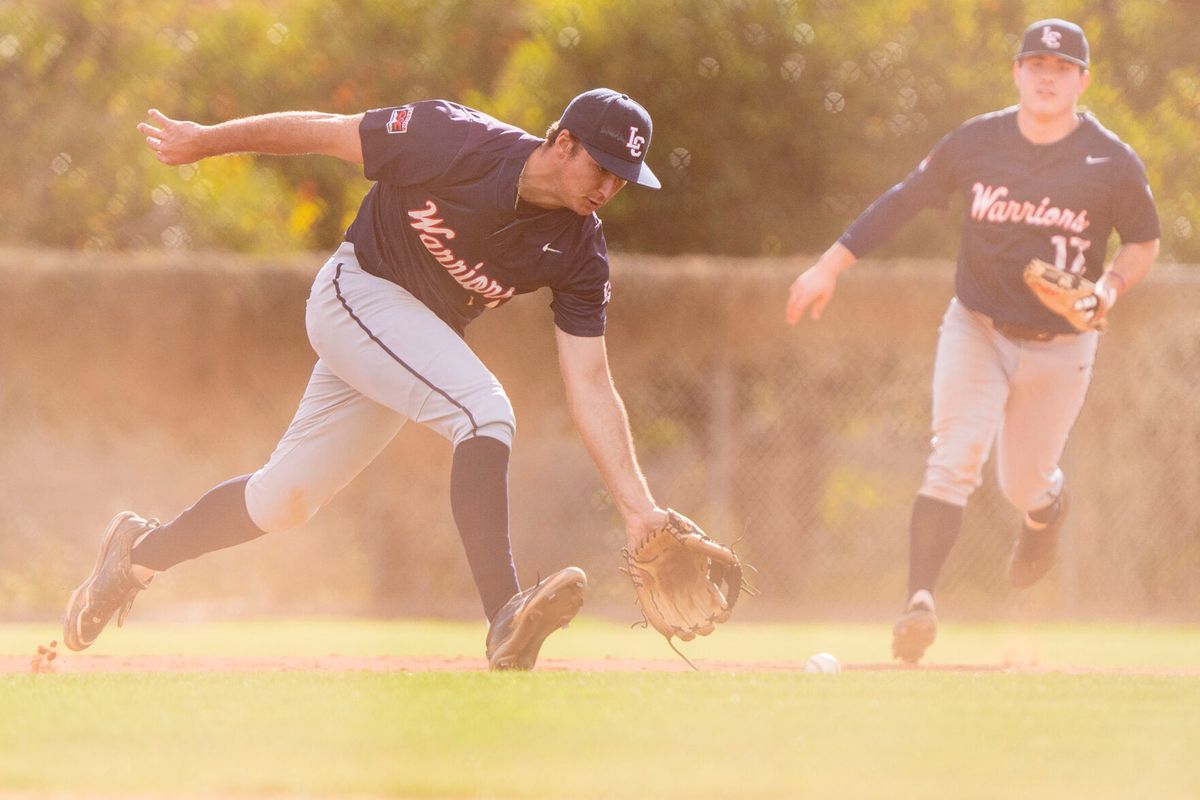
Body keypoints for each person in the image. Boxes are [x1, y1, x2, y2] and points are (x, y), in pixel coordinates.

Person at [63, 88, 670, 671]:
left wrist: (639, 511)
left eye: (625, 176)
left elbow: (590, 381)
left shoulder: (580, 251)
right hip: (356, 292)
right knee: (484, 412)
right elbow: (323, 132)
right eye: (603, 166)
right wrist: (204, 141)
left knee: (281, 503)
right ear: (563, 143)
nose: (611, 187)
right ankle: (504, 616)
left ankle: (135, 556)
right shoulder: (453, 138)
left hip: (409, 340)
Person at [785, 19, 1159, 663]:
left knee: (1021, 485)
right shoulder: (977, 142)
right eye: (1036, 62)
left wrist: (1110, 288)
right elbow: (904, 201)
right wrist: (829, 265)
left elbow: (1144, 243)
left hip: (1063, 344)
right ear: (1015, 71)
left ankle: (1047, 508)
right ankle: (918, 605)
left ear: (1083, 81)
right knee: (954, 458)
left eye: (1062, 67)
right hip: (977, 326)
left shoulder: (1110, 159)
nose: (1047, 75)